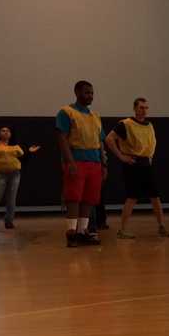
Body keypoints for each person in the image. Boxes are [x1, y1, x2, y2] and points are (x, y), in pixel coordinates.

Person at [105, 97, 169, 239]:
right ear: (135, 109)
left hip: (146, 164)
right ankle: (122, 230)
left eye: (146, 108)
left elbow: (152, 143)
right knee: (132, 197)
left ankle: (161, 227)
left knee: (155, 196)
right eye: (141, 107)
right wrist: (121, 156)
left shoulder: (149, 125)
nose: (144, 110)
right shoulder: (125, 124)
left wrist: (150, 157)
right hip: (132, 164)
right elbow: (109, 139)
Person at [56, 80, 108, 247]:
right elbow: (62, 138)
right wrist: (70, 162)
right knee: (73, 198)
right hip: (76, 161)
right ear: (77, 93)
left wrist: (104, 164)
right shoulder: (66, 112)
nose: (90, 96)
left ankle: (82, 231)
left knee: (89, 199)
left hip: (95, 163)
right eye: (87, 92)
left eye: (92, 93)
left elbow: (100, 142)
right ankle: (71, 233)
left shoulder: (95, 116)